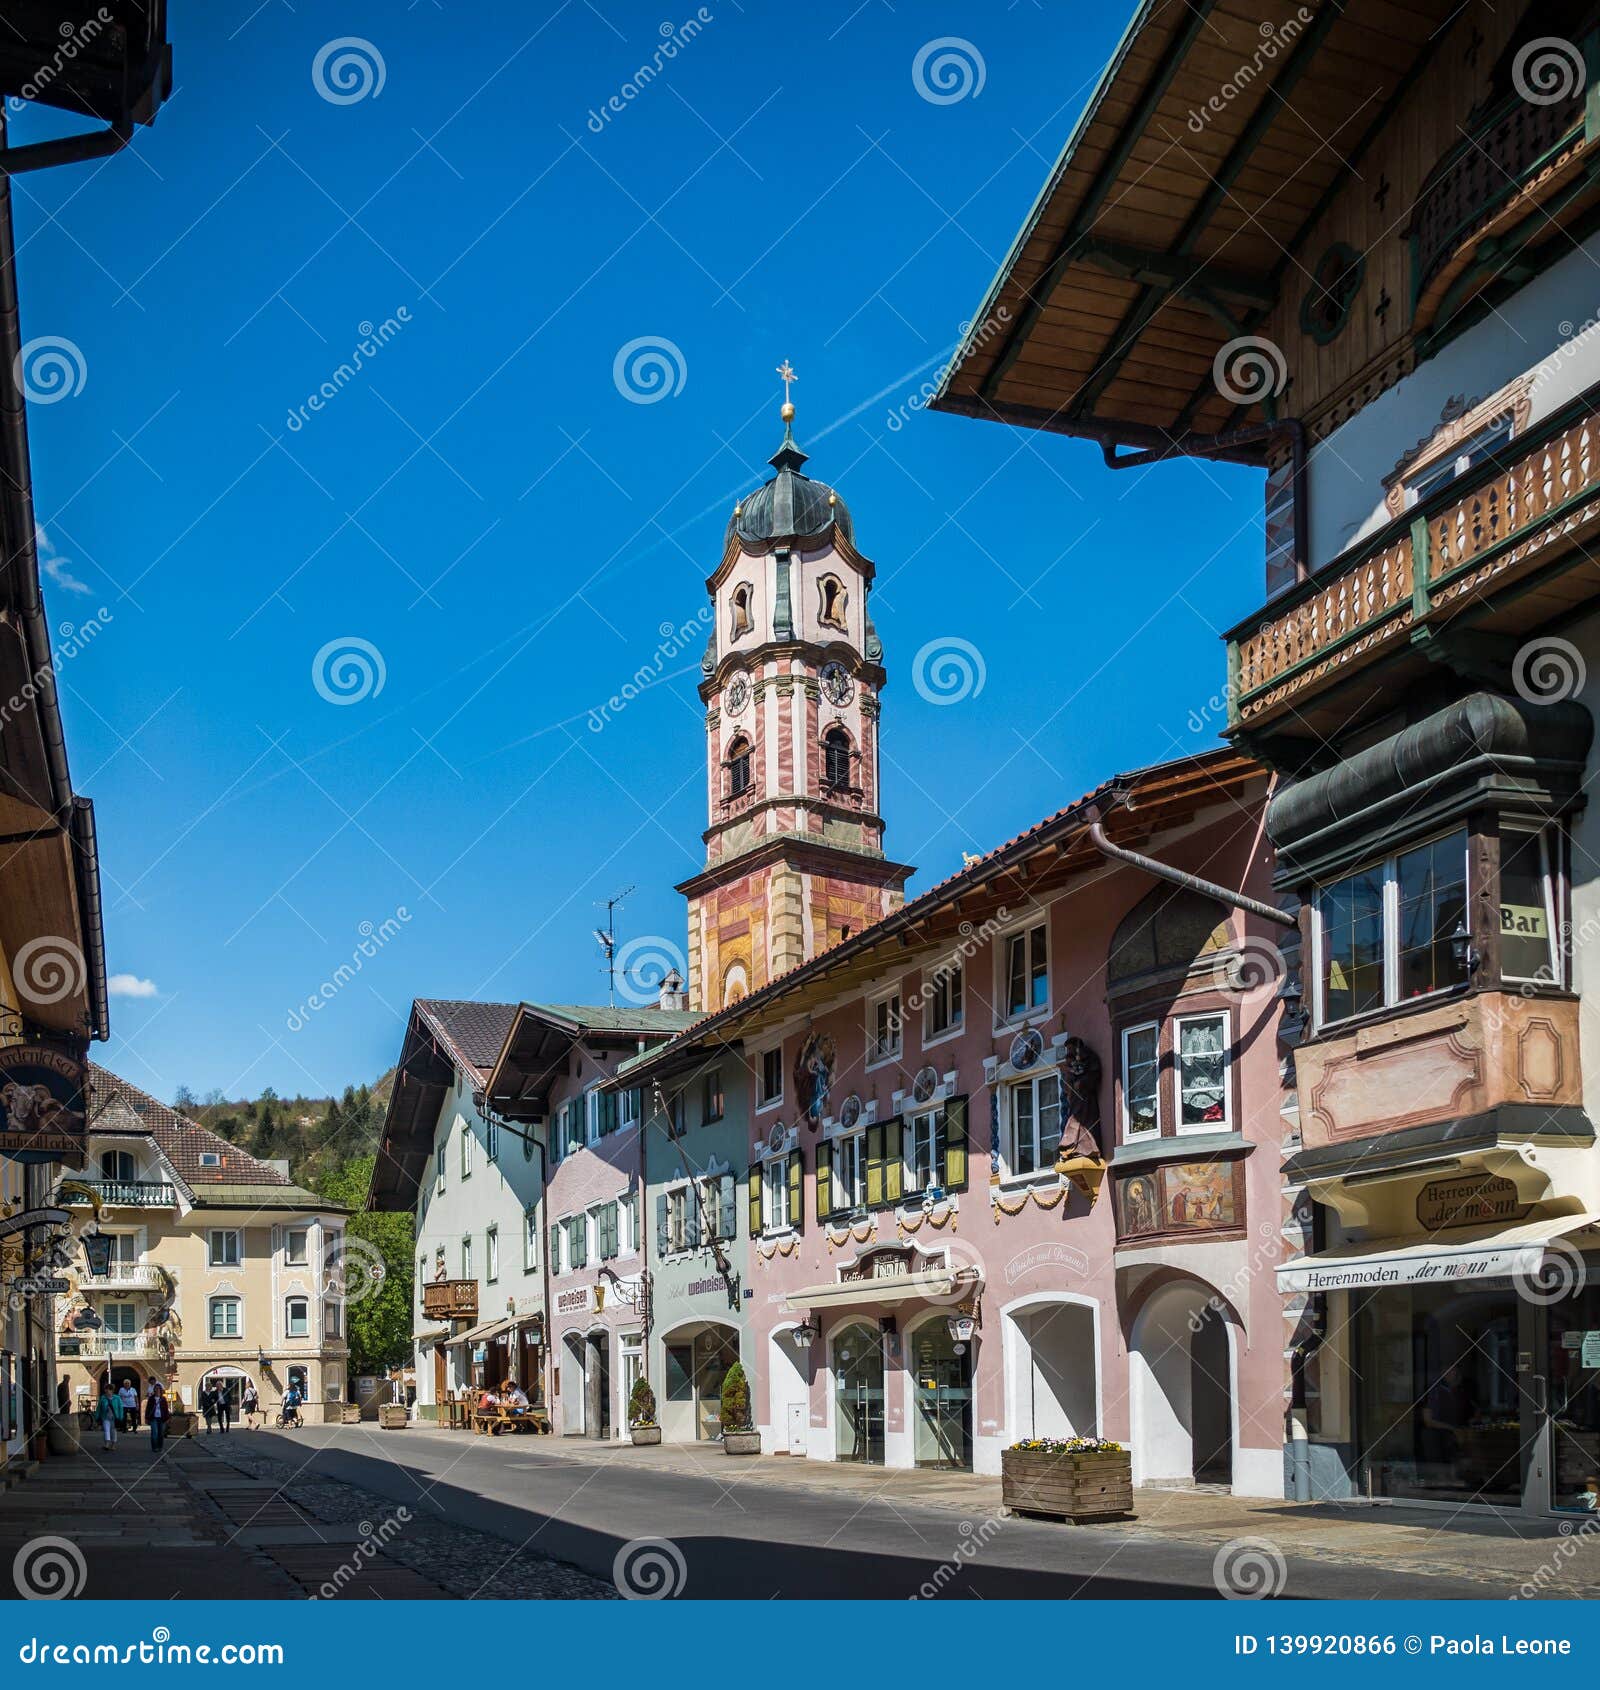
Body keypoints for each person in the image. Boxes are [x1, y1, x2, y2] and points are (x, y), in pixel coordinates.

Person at [146, 1381, 170, 1452]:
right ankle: (154, 1447)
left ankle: (160, 1447)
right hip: (153, 1418)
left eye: (158, 1389)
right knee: (154, 1433)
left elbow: (166, 1409)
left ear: (161, 1390)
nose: (157, 1390)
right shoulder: (151, 1399)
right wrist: (146, 1418)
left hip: (162, 1418)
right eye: (156, 1389)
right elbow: (148, 1408)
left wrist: (167, 1418)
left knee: (161, 1433)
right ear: (154, 1390)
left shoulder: (163, 1399)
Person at [96, 1378, 119, 1452]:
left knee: (113, 1431)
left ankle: (113, 1445)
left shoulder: (117, 1398)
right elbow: (99, 1408)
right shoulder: (102, 1398)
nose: (106, 1391)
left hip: (114, 1417)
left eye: (108, 1389)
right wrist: (97, 1416)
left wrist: (121, 1416)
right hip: (105, 1416)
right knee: (106, 1430)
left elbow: (120, 1407)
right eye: (105, 1389)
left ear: (111, 1390)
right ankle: (107, 1444)